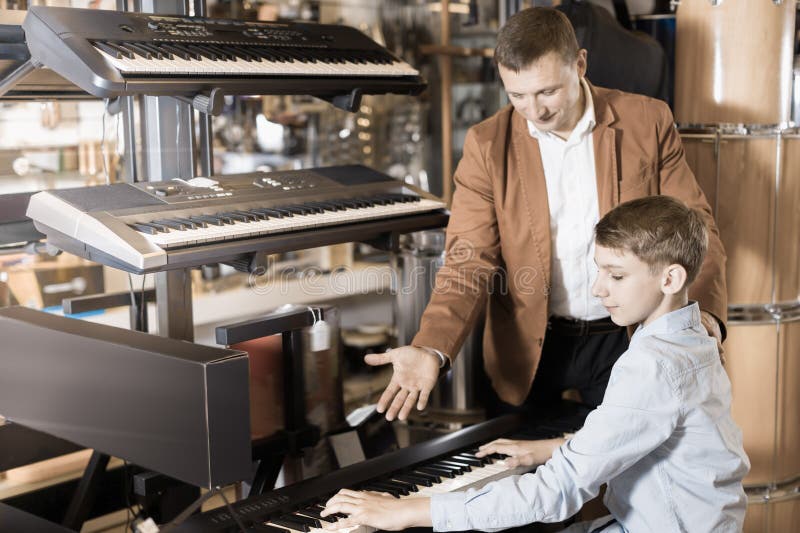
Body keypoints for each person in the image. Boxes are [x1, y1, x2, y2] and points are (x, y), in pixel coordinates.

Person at [367, 7, 727, 422]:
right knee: (524, 475)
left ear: (580, 64)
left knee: (626, 479)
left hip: (627, 337)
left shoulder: (648, 121)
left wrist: (703, 318)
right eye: (517, 95)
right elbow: (469, 257)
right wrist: (431, 345)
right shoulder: (487, 144)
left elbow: (694, 228)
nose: (534, 111)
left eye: (547, 92)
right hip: (528, 347)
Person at [321, 196, 749, 533]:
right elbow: (645, 432)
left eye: (616, 276)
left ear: (670, 279)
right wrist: (555, 449)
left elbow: (554, 493)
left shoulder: (653, 364)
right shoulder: (691, 336)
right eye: (597, 271)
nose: (599, 290)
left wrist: (407, 510)